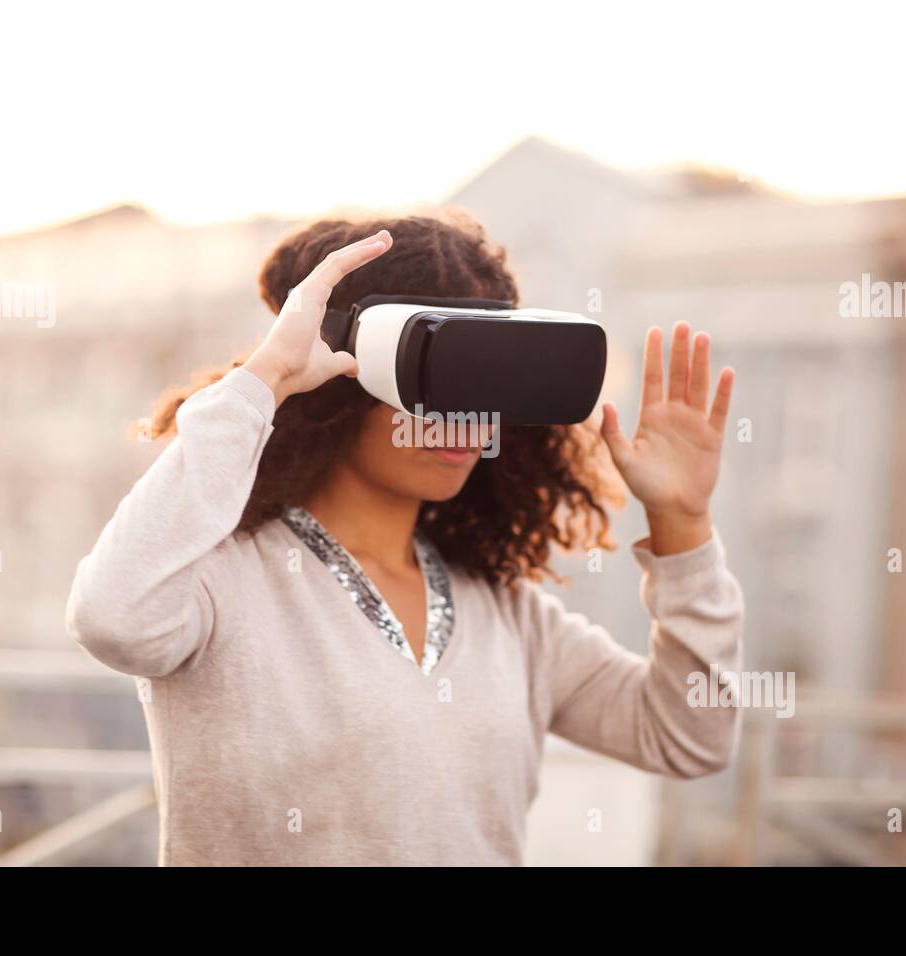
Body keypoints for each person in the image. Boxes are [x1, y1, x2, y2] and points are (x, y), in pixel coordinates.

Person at [66, 212, 744, 865]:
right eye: (441, 375)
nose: (465, 417)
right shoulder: (225, 581)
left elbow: (689, 737)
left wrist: (682, 522)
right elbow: (112, 619)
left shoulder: (508, 616)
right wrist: (262, 384)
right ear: (341, 380)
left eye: (490, 382)